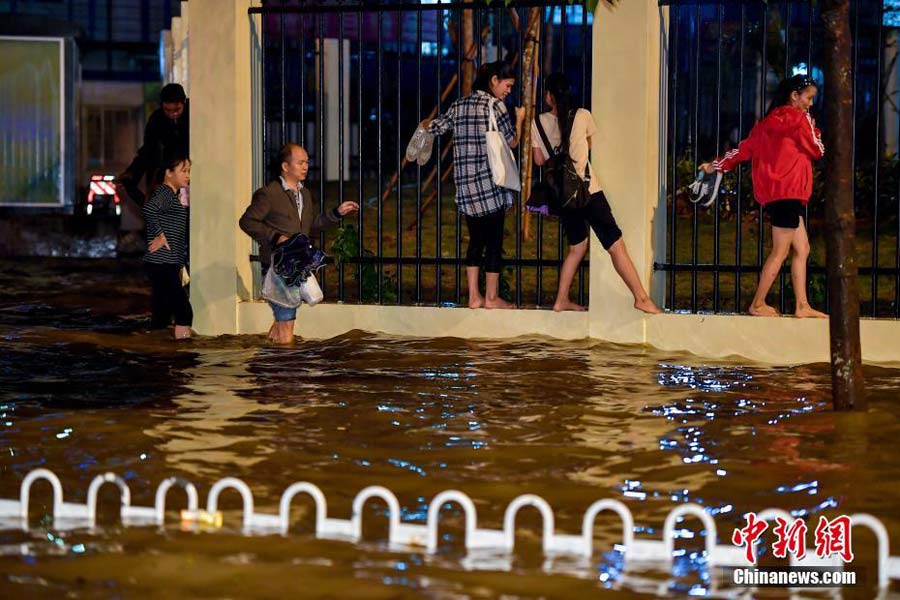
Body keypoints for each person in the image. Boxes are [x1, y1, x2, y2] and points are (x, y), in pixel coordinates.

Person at [700, 74, 826, 318]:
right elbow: (817, 149)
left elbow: (742, 150)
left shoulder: (765, 124)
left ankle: (802, 305)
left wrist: (716, 165)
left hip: (776, 195)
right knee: (781, 251)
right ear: (795, 96)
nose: (811, 104)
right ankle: (758, 304)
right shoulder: (800, 120)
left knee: (802, 248)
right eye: (809, 98)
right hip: (789, 193)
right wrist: (810, 122)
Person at [531, 73, 660, 314]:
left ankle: (561, 300)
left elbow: (539, 160)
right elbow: (588, 145)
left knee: (577, 247)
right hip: (587, 191)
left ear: (549, 97)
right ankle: (641, 298)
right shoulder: (582, 115)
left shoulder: (537, 123)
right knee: (615, 244)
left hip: (563, 196)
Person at [422, 60, 526, 309]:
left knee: (476, 241)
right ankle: (491, 298)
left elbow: (436, 127)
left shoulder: (459, 105)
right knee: (494, 242)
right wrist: (520, 119)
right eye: (507, 85)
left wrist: (424, 124)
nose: (508, 90)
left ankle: (473, 297)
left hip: (466, 188)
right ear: (494, 80)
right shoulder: (496, 106)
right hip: (490, 186)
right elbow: (512, 141)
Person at [239, 144, 359, 344]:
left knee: (282, 323)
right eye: (300, 162)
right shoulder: (269, 193)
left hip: (296, 266)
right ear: (285, 166)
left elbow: (310, 226)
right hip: (278, 267)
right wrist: (275, 237)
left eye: (307, 162)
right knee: (287, 325)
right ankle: (286, 362)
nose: (305, 166)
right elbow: (247, 221)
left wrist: (336, 214)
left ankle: (269, 359)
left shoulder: (304, 194)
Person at [143, 154, 193, 339]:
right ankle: (184, 352)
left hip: (167, 264)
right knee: (183, 311)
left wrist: (180, 264)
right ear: (169, 173)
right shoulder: (165, 193)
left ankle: (156, 349)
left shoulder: (173, 195)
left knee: (161, 314)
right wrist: (160, 235)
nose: (187, 175)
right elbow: (149, 209)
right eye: (183, 171)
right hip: (162, 264)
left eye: (189, 171)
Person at [118, 83, 190, 206]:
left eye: (177, 110)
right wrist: (132, 173)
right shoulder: (157, 119)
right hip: (169, 166)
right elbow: (148, 150)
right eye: (168, 110)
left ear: (184, 103)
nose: (173, 114)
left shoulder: (192, 113)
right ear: (162, 106)